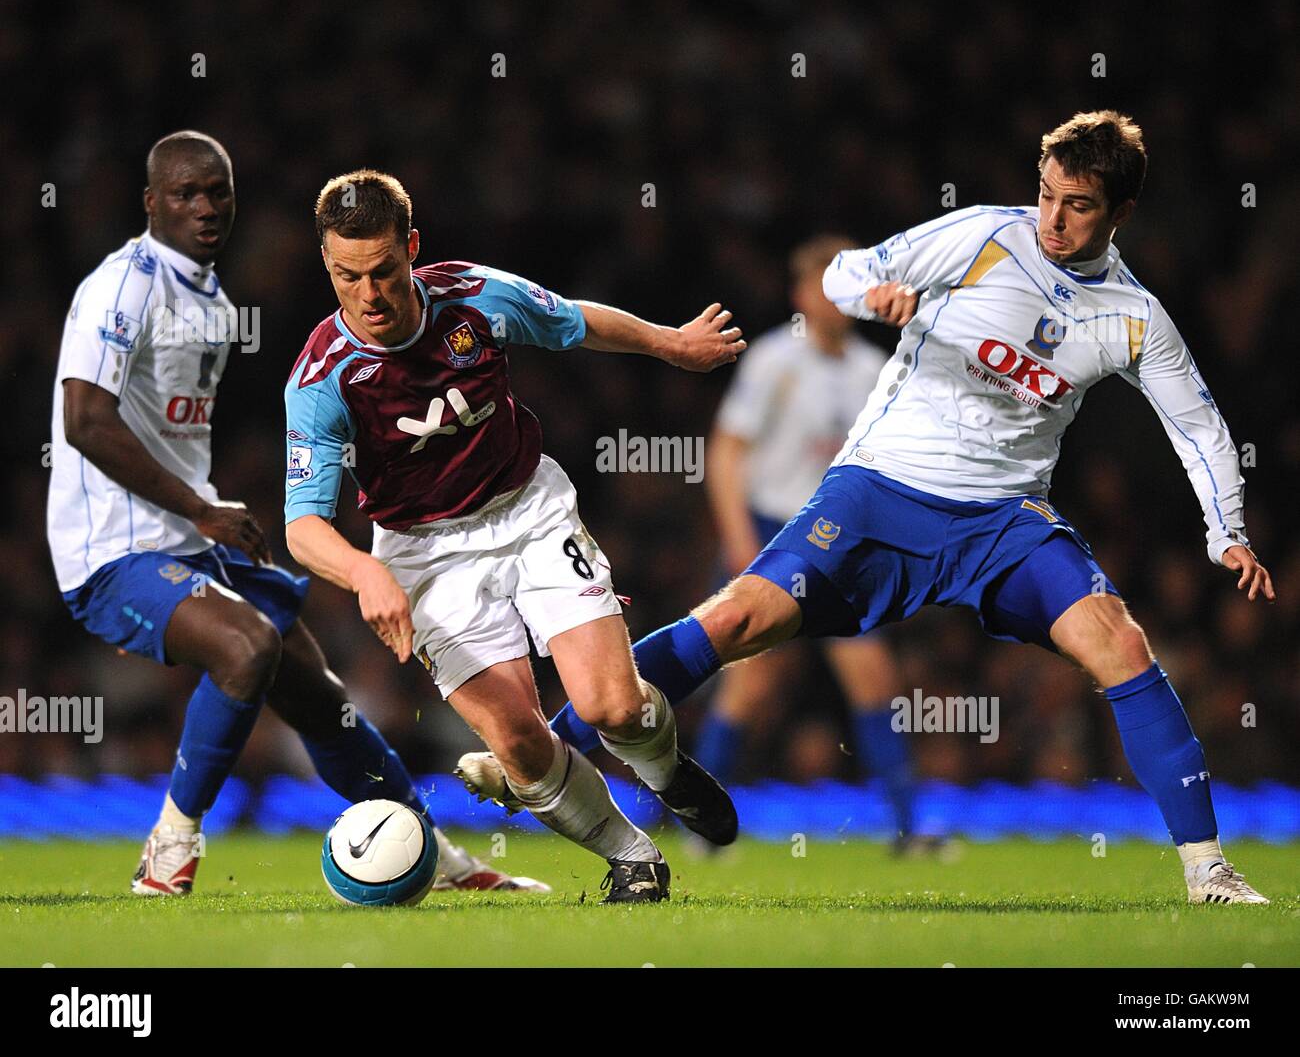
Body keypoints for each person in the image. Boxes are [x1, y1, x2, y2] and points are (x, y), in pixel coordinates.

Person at [486, 111, 1275, 905]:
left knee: (1119, 641)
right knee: (733, 625)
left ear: (1121, 214)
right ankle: (540, 753)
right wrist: (877, 294)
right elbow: (842, 275)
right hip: (878, 493)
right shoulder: (980, 238)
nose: (1054, 219)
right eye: (1046, 195)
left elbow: (1199, 426)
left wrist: (1228, 534)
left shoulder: (1134, 318)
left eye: (1078, 205)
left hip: (1003, 522)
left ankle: (1209, 868)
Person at [48, 131, 545, 896]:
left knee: (320, 696)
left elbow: (167, 434)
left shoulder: (209, 300)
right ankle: (169, 851)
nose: (205, 207)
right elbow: (85, 420)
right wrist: (178, 540)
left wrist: (184, 570)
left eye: (218, 191)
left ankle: (433, 857)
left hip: (183, 539)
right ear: (151, 203)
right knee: (246, 648)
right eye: (185, 193)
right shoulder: (123, 287)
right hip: (117, 546)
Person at [283, 170, 743, 903]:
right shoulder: (323, 379)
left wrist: (670, 344)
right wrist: (366, 574)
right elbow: (302, 525)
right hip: (423, 555)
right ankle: (633, 857)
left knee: (612, 710)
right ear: (326, 266)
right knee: (520, 742)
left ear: (412, 248)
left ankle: (665, 771)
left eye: (383, 271)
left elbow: (574, 320)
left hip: (528, 511)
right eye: (347, 276)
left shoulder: (473, 297)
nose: (369, 295)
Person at [694, 234, 930, 849]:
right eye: (824, 284)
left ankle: (907, 832)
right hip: (773, 534)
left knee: (874, 677)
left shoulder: (873, 369)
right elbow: (725, 453)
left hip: (837, 543)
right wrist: (740, 540)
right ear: (802, 294)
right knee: (752, 685)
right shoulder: (775, 360)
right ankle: (698, 826)